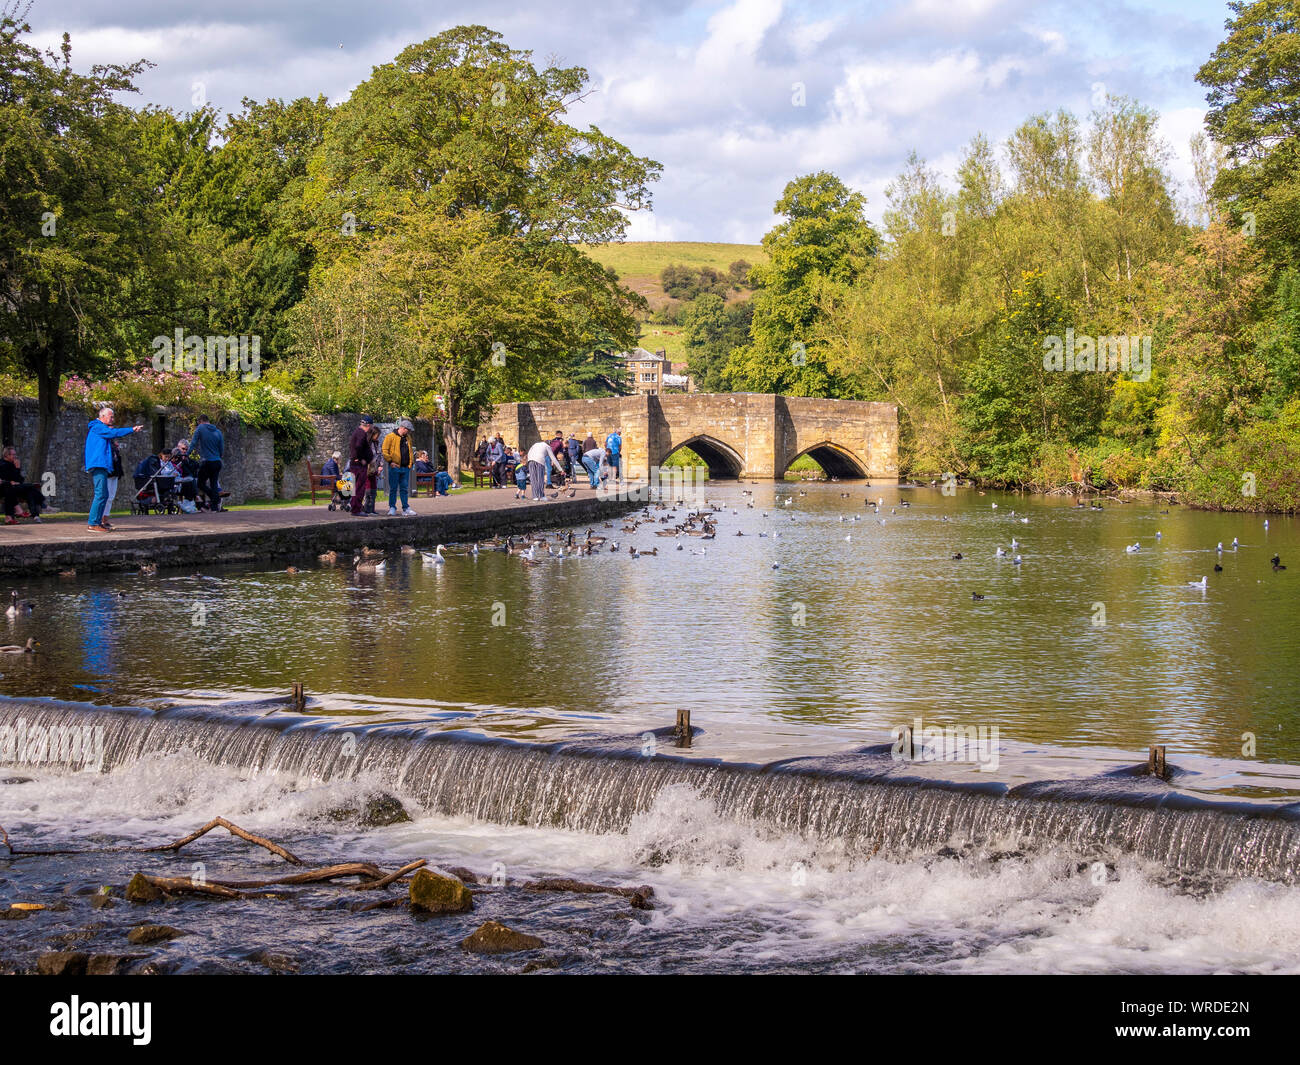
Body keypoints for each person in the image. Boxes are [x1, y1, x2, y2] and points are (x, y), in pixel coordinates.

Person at [85, 407, 143, 532]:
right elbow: (114, 433)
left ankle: (98, 522)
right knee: (101, 494)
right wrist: (132, 429)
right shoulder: (97, 427)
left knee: (104, 495)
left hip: (102, 464)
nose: (113, 419)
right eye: (111, 416)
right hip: (98, 464)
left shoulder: (101, 428)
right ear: (103, 417)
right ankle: (93, 523)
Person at [188, 413, 225, 512]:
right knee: (213, 484)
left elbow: (193, 443)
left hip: (207, 461)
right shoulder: (218, 432)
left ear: (200, 421)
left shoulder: (200, 428)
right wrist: (218, 457)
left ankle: (215, 498)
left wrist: (186, 454)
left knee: (200, 483)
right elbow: (221, 449)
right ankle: (214, 507)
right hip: (217, 462)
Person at [0, 447, 44, 524]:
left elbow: (19, 480)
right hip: (4, 489)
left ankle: (35, 515)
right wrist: (16, 470)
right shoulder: (2, 464)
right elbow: (9, 479)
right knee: (29, 487)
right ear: (7, 455)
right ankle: (42, 506)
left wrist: (17, 469)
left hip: (13, 488)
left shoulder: (12, 464)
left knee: (29, 491)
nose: (15, 456)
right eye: (13, 455)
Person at [382, 418, 416, 516]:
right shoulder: (390, 437)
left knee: (404, 489)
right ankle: (392, 507)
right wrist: (390, 461)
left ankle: (405, 508)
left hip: (405, 468)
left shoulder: (408, 438)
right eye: (408, 430)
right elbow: (384, 450)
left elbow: (410, 451)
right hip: (395, 467)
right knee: (393, 488)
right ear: (403, 428)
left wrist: (410, 463)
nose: (409, 432)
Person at [348, 415, 374, 516]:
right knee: (359, 488)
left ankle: (355, 507)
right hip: (358, 466)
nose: (372, 428)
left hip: (355, 465)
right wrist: (361, 458)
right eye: (371, 425)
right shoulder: (361, 433)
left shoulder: (357, 432)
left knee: (355, 487)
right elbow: (358, 446)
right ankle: (356, 509)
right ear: (368, 425)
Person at [363, 423, 382, 514]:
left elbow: (379, 456)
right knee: (368, 489)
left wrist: (380, 466)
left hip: (375, 469)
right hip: (368, 470)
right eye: (377, 435)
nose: (377, 437)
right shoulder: (367, 444)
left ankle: (372, 509)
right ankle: (367, 509)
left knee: (374, 489)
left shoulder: (376, 444)